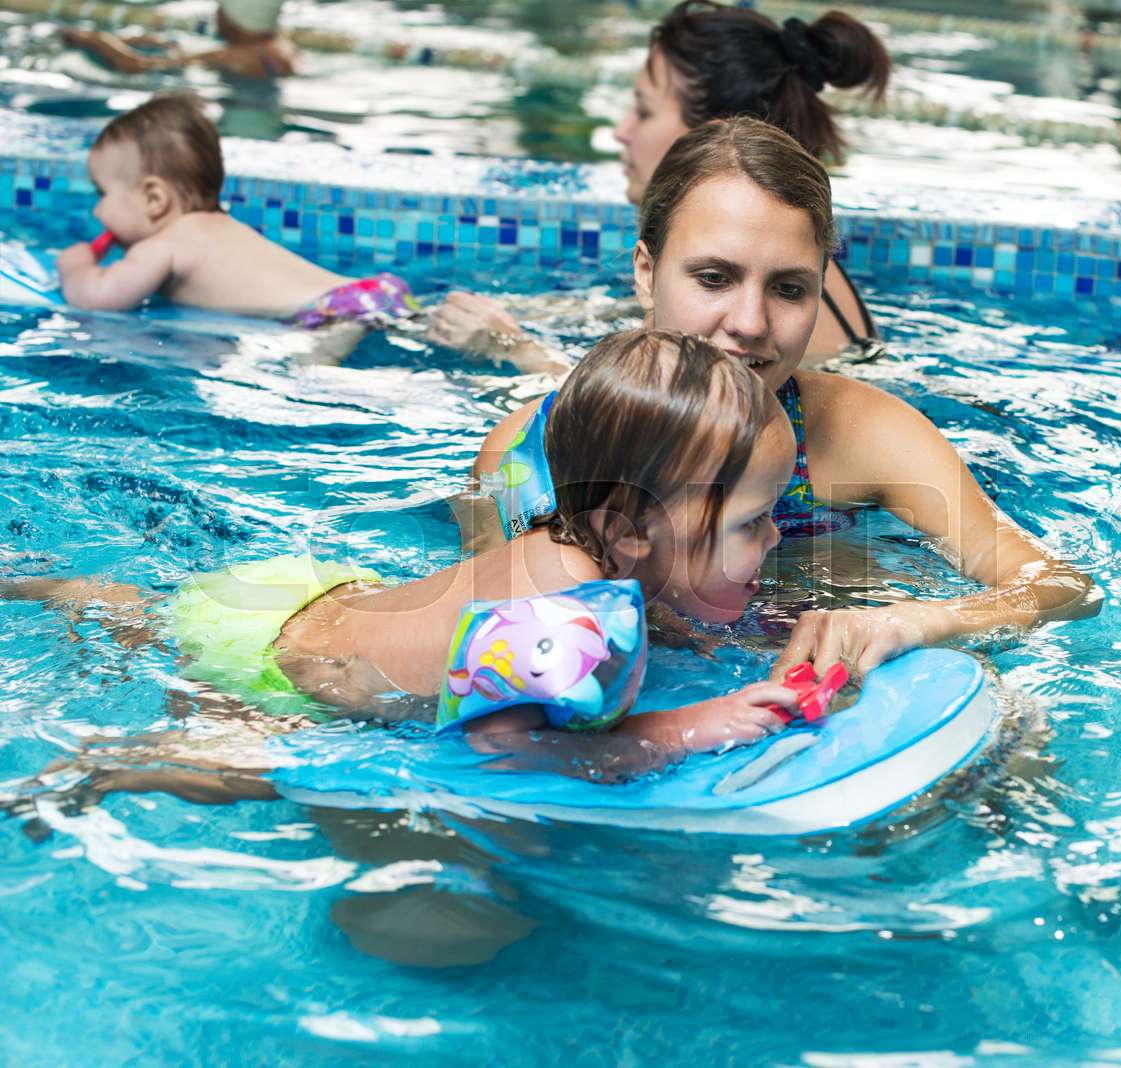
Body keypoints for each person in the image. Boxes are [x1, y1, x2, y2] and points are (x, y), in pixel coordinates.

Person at [4, 329, 804, 779]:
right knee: (236, 773)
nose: (773, 538)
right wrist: (686, 727)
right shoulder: (568, 622)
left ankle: (63, 588)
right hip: (272, 668)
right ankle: (82, 772)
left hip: (304, 594)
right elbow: (505, 749)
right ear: (631, 534)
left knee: (133, 611)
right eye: (752, 522)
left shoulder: (571, 540)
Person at [471, 118, 1102, 684]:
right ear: (645, 272)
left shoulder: (862, 434)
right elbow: (491, 643)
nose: (749, 322)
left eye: (789, 289)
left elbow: (1061, 585)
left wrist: (914, 622)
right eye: (713, 278)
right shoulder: (531, 455)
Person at [427, 0, 891, 367]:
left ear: (714, 139)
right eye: (713, 279)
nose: (622, 131)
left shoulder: (786, 333)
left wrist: (520, 351)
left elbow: (676, 425)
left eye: (646, 112)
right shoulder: (777, 279)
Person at [54, 95, 417, 348]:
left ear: (154, 198)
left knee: (308, 381)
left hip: (329, 317)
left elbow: (97, 299)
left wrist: (76, 267)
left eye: (101, 193)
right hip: (372, 292)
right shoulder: (221, 228)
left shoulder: (164, 245)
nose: (97, 212)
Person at [60, 0, 298, 80]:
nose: (217, 15)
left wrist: (96, 40)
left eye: (221, 9)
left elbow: (136, 66)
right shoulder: (281, 47)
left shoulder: (232, 56)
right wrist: (165, 45)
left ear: (238, 18)